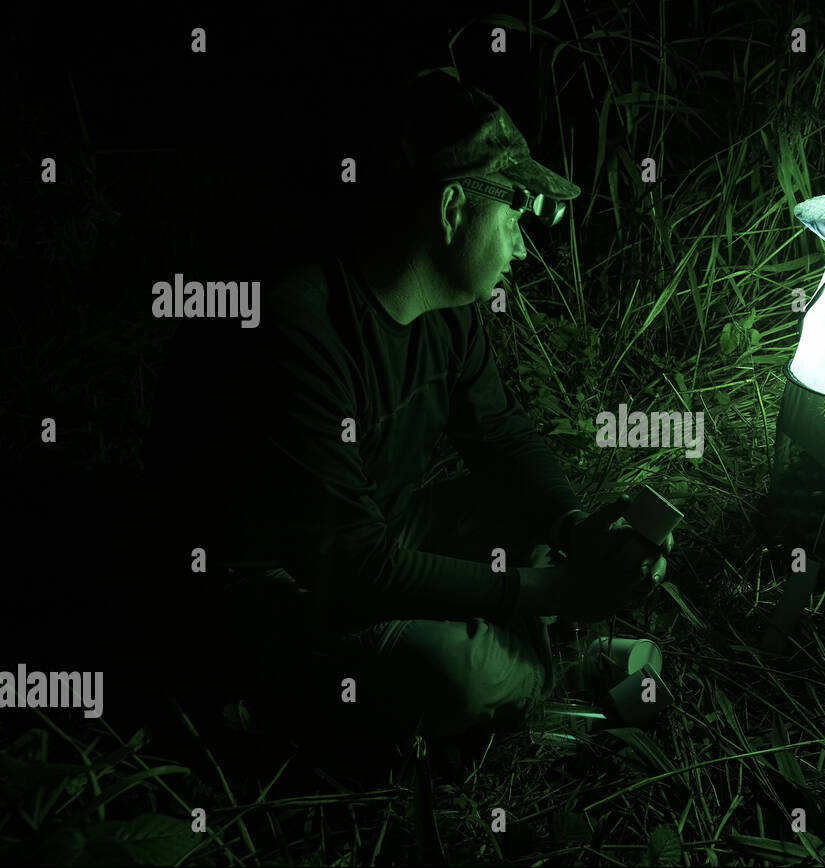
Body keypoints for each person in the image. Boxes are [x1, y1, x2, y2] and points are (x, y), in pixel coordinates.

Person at [143, 71, 671, 747]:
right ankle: (549, 685)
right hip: (267, 587)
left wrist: (574, 530)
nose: (520, 243)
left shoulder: (446, 306)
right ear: (453, 207)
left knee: (526, 524)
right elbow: (357, 565)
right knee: (455, 678)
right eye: (512, 213)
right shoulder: (292, 322)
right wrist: (548, 593)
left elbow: (500, 434)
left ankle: (537, 666)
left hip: (376, 532)